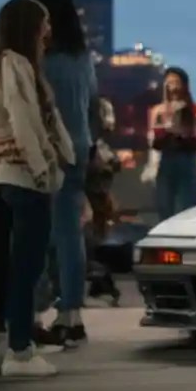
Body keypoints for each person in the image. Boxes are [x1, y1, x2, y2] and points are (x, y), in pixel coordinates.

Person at [0, 0, 75, 378]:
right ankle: (20, 351)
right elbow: (23, 120)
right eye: (44, 22)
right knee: (27, 266)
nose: (49, 29)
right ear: (30, 26)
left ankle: (12, 341)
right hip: (23, 175)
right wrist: (41, 169)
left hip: (0, 176)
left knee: (13, 264)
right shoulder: (17, 65)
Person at [28, 0, 95, 347]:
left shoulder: (40, 58)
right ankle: (72, 315)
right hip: (79, 146)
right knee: (70, 234)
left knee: (36, 232)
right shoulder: (82, 57)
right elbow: (93, 103)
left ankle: (35, 311)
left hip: (46, 148)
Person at [148, 67, 196, 220]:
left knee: (188, 206)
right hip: (166, 160)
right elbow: (154, 140)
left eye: (176, 82)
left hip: (187, 160)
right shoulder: (157, 111)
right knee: (165, 205)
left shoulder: (194, 109)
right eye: (169, 82)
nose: (173, 87)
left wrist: (182, 133)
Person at [86, 98, 123, 304]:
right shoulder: (91, 144)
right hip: (90, 197)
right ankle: (100, 282)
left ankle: (100, 284)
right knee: (92, 241)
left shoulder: (100, 145)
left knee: (98, 240)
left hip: (99, 197)